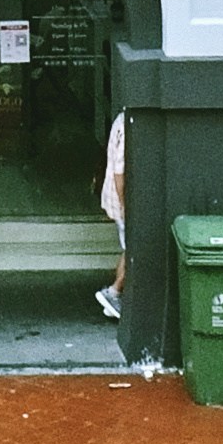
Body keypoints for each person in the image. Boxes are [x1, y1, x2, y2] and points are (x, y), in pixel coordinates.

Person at [95, 105, 126, 320]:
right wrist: (125, 205)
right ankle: (113, 292)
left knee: (128, 248)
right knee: (135, 251)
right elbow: (119, 172)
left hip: (114, 198)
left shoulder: (120, 120)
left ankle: (115, 299)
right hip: (121, 200)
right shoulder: (128, 127)